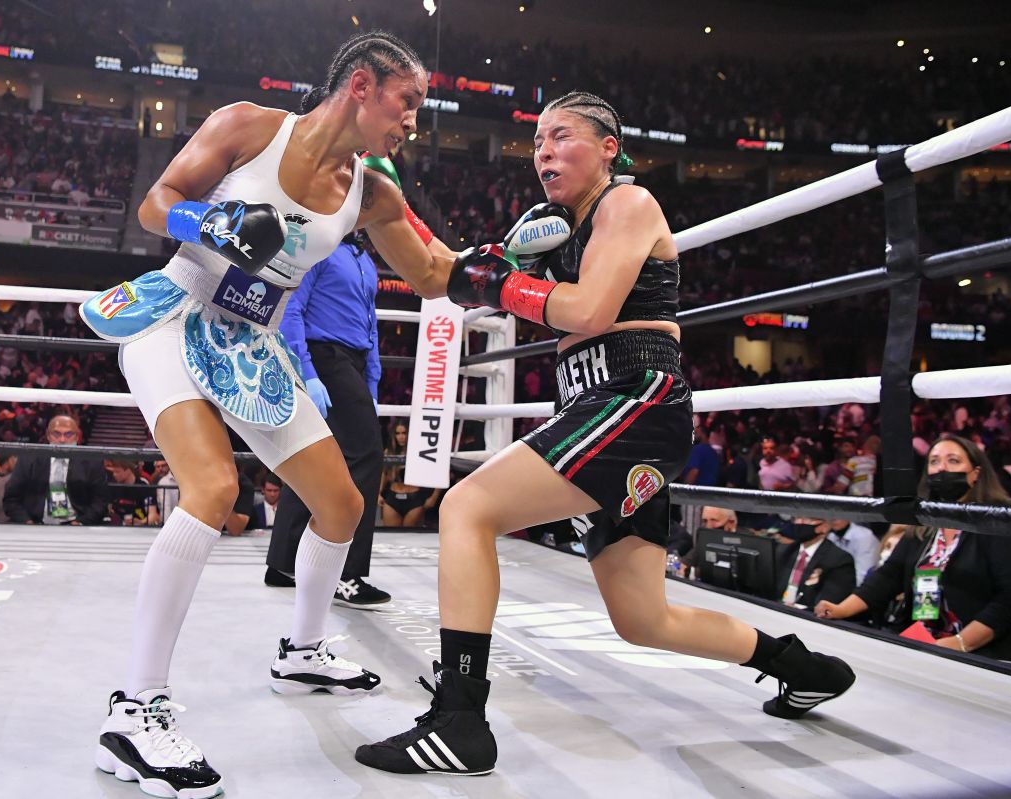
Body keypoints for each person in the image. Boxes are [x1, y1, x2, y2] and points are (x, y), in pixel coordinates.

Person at [356, 91, 855, 777]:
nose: (544, 152)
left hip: (635, 397)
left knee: (467, 507)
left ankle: (460, 718)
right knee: (643, 617)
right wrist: (377, 190)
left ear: (608, 147)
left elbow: (590, 309)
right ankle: (802, 665)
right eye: (536, 143)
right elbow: (442, 271)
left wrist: (503, 287)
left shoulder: (629, 205)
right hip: (598, 409)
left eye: (561, 137)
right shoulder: (549, 229)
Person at [80, 31, 454, 797]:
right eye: (407, 101)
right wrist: (209, 225)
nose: (414, 119)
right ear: (360, 84)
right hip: (175, 318)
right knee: (212, 490)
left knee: (343, 503)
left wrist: (514, 259)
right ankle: (135, 709)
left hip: (251, 344)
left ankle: (303, 650)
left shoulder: (374, 191)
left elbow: (429, 272)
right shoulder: (250, 125)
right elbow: (159, 203)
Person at [815, 435, 1011, 661]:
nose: (941, 468)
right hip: (923, 643)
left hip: (984, 653)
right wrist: (841, 609)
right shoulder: (926, 522)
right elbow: (889, 575)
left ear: (976, 473)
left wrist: (961, 643)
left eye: (953, 461)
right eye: (934, 461)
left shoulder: (1003, 521)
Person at [267, 234, 389, 608]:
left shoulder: (365, 260)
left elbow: (370, 324)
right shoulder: (319, 249)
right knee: (365, 455)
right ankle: (346, 574)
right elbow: (291, 308)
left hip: (351, 361)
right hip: (325, 356)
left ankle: (283, 563)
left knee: (318, 456)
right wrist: (308, 371)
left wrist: (371, 380)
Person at [3, 415, 109, 526]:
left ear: (77, 437)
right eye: (56, 434)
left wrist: (81, 522)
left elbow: (100, 502)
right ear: (48, 436)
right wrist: (28, 522)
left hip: (77, 525)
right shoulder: (29, 459)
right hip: (37, 524)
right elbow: (11, 499)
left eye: (68, 434)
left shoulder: (91, 462)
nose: (62, 440)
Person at [774, 518, 856, 608]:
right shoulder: (784, 550)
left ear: (825, 527)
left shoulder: (839, 560)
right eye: (798, 518)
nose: (800, 522)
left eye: (808, 519)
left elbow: (827, 605)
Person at [378, 421, 441, 527]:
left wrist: (434, 497)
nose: (401, 437)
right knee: (390, 537)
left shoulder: (421, 452)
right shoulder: (389, 452)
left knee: (410, 537)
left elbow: (439, 471)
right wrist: (378, 493)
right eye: (398, 433)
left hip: (414, 498)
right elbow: (383, 474)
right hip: (393, 497)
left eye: (404, 433)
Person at [107, 460, 161, 527]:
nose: (114, 475)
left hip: (140, 530)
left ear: (128, 470)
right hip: (117, 529)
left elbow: (154, 516)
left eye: (117, 472)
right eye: (113, 472)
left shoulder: (144, 488)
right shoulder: (113, 487)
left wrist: (141, 522)